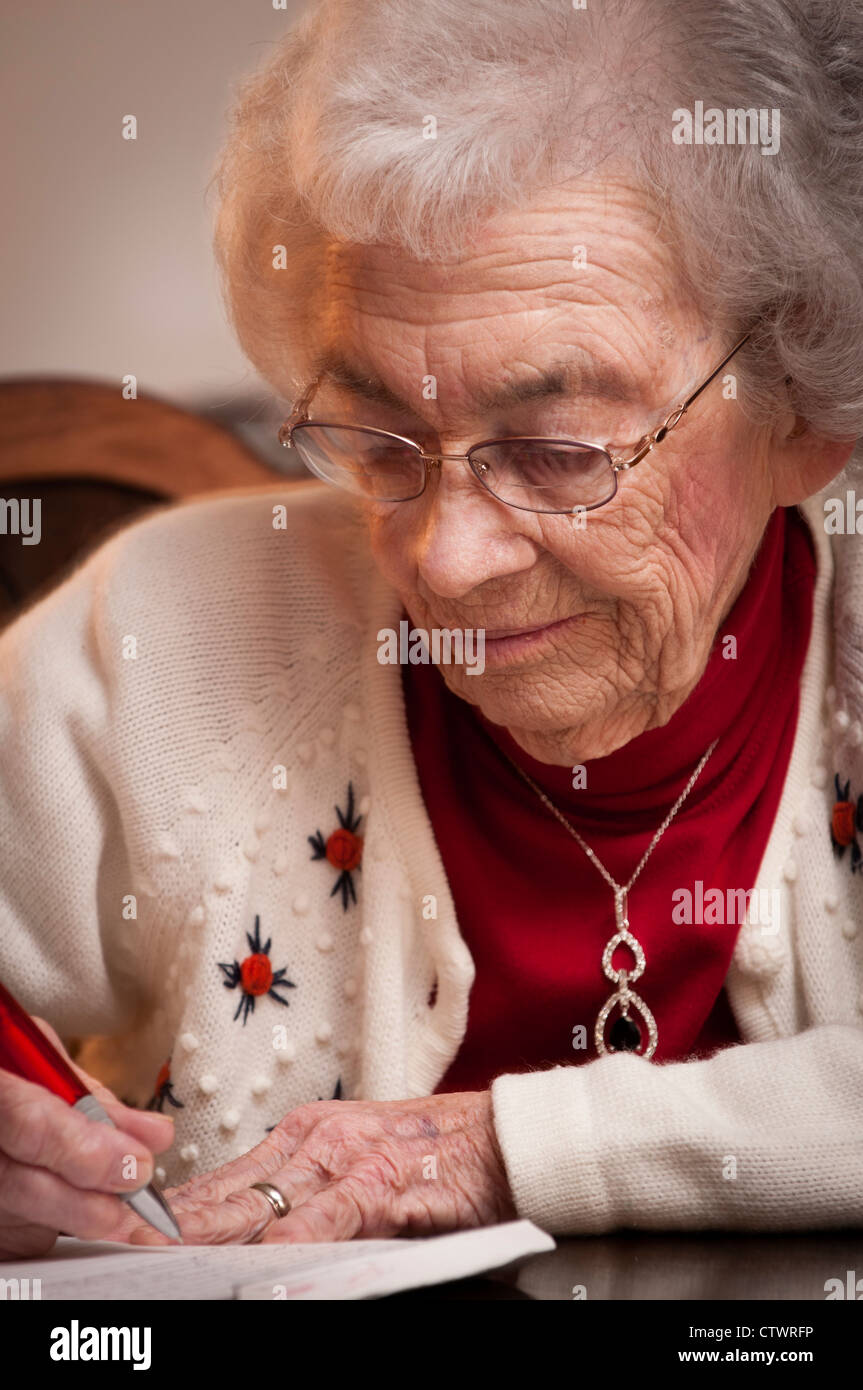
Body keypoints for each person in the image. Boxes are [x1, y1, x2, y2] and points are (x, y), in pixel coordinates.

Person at [1, 0, 863, 1257]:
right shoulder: (167, 637)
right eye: (379, 437)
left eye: (560, 451)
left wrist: (498, 1148)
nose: (443, 561)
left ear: (804, 404)